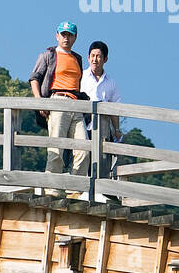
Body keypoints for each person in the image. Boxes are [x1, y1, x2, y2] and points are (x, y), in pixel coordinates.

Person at [29, 21, 89, 191]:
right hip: (57, 100)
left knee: (83, 148)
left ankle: (75, 190)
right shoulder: (48, 55)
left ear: (75, 38)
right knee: (56, 148)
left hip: (76, 105)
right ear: (57, 36)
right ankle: (51, 189)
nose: (66, 38)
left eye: (70, 35)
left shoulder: (77, 58)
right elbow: (35, 78)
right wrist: (40, 100)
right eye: (63, 34)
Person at [80, 40, 122, 179]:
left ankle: (99, 193)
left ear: (105, 59)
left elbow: (115, 109)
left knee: (102, 160)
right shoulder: (80, 76)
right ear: (88, 57)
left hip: (103, 130)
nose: (95, 59)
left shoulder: (111, 82)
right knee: (82, 157)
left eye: (98, 56)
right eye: (92, 55)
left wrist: (116, 130)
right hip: (83, 125)